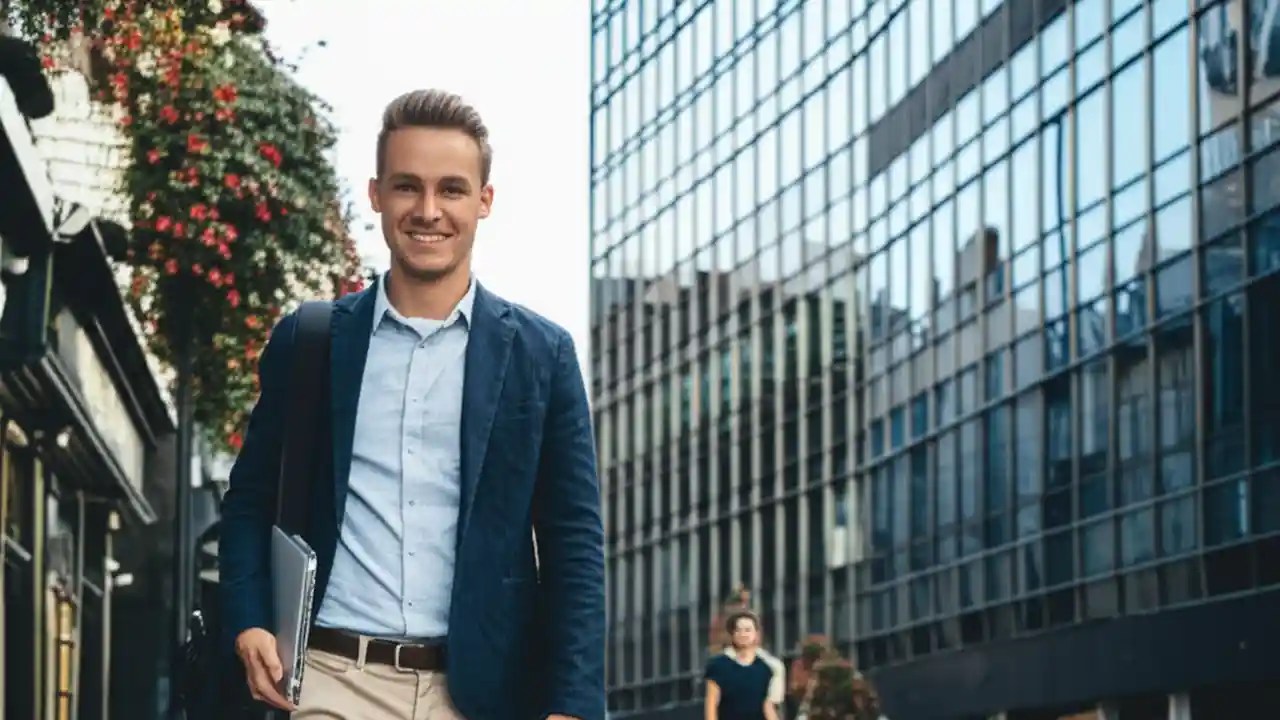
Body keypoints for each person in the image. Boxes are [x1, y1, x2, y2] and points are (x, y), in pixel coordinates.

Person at [218, 88, 605, 720]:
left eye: (452, 189)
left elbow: (573, 541)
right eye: (407, 187)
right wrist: (249, 620)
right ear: (377, 195)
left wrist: (573, 703)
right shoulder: (311, 341)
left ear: (484, 201)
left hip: (483, 695)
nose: (429, 211)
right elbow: (250, 499)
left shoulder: (543, 354)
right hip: (331, 681)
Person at [704, 611, 780, 720]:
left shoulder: (766, 668)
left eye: (748, 630)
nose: (743, 634)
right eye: (738, 630)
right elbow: (711, 705)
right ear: (732, 634)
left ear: (756, 634)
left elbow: (768, 706)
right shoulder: (718, 665)